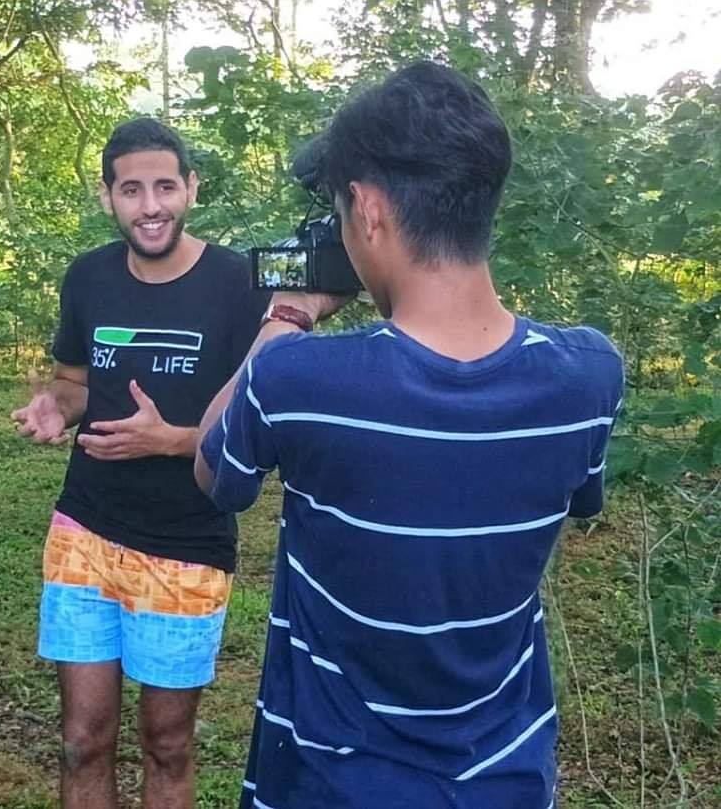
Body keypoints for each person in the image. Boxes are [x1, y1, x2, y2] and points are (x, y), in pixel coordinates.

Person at [195, 61, 624, 808]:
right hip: (508, 781)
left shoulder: (301, 380)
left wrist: (287, 316)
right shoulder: (587, 375)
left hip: (332, 783)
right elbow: (577, 502)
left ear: (367, 209)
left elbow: (213, 469)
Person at [11, 118, 270, 809]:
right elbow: (72, 381)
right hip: (85, 533)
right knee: (81, 739)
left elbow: (259, 423)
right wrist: (53, 408)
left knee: (168, 744)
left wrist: (175, 440)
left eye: (164, 186)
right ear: (108, 197)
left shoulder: (238, 284)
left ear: (191, 188)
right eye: (132, 189)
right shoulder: (89, 277)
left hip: (187, 541)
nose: (150, 205)